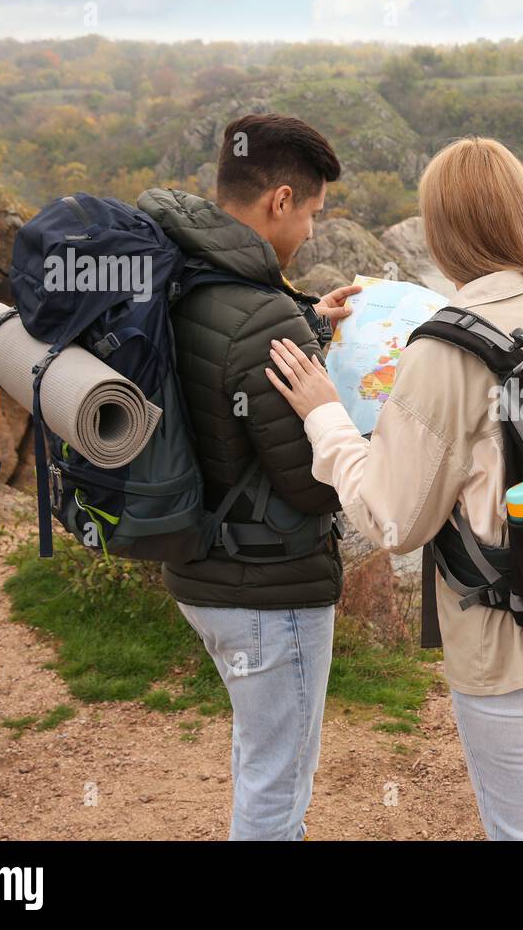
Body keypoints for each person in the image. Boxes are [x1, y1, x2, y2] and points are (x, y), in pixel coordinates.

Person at [264, 136, 523, 841]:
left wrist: (323, 415)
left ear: (440, 231)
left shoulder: (447, 348)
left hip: (514, 628)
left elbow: (393, 519)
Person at [137, 113, 360, 841]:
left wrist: (308, 326)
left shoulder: (181, 273)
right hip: (270, 592)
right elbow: (316, 488)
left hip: (200, 570)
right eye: (313, 215)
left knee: (260, 752)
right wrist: (345, 423)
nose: (311, 233)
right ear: (281, 200)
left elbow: (220, 380)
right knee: (278, 781)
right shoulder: (265, 320)